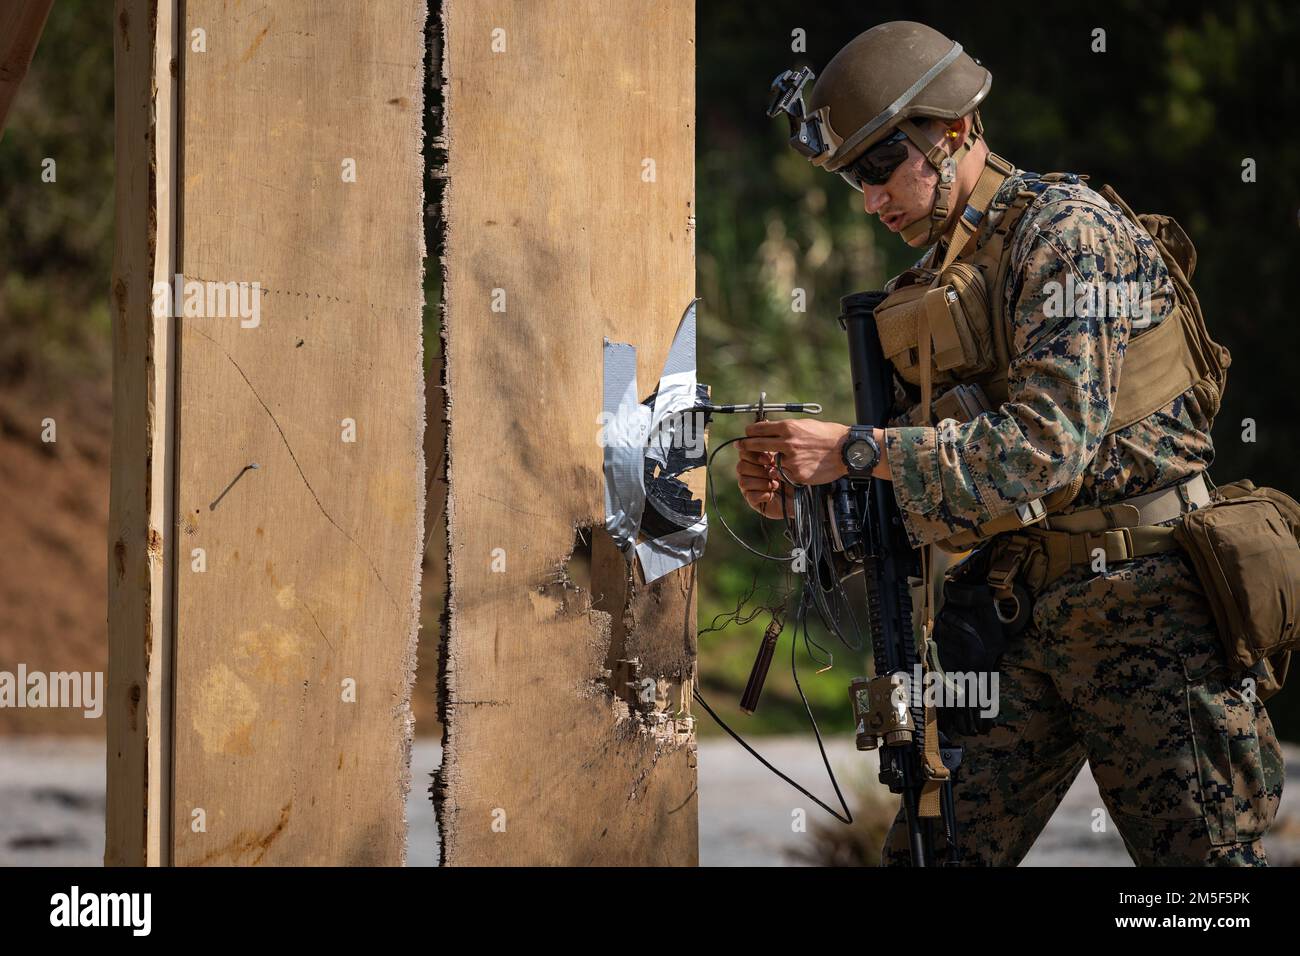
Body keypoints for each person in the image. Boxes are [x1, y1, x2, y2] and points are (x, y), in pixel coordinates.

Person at [737, 20, 1283, 865]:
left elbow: (1045, 447)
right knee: (931, 855)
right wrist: (810, 493)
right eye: (855, 178)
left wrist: (856, 451)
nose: (873, 198)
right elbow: (930, 468)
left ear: (954, 134)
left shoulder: (1069, 236)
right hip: (1014, 608)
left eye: (883, 167)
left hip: (1145, 603)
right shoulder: (935, 281)